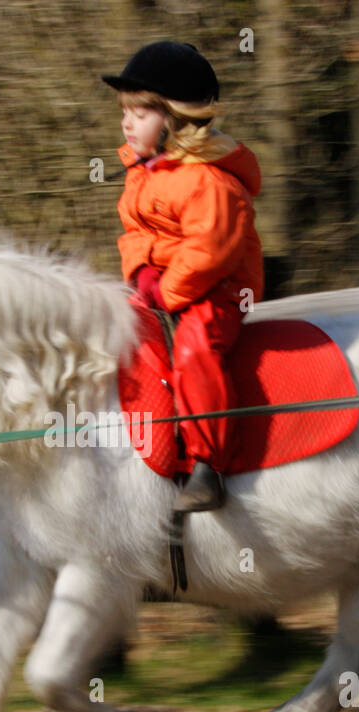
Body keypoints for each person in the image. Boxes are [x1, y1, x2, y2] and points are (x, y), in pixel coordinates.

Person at [102, 41, 263, 512]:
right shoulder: (143, 174)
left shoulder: (211, 181)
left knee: (195, 349)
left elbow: (210, 252)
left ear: (174, 119)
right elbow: (132, 234)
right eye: (125, 112)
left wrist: (167, 290)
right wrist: (141, 274)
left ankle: (207, 467)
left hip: (218, 291)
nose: (127, 122)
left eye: (140, 113)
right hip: (162, 285)